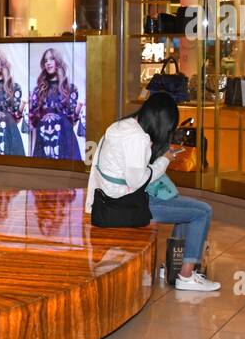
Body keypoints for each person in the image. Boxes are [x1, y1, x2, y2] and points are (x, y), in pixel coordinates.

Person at [86, 91, 220, 292]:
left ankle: (173, 268)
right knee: (202, 211)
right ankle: (186, 275)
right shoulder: (138, 138)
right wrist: (165, 160)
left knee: (179, 203)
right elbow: (137, 181)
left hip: (108, 200)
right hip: (127, 206)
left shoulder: (120, 126)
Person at [29, 47, 83, 160]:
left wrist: (79, 107)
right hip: (43, 141)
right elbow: (33, 122)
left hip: (65, 140)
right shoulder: (38, 90)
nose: (48, 63)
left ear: (57, 61)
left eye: (51, 59)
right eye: (45, 60)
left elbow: (72, 119)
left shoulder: (70, 89)